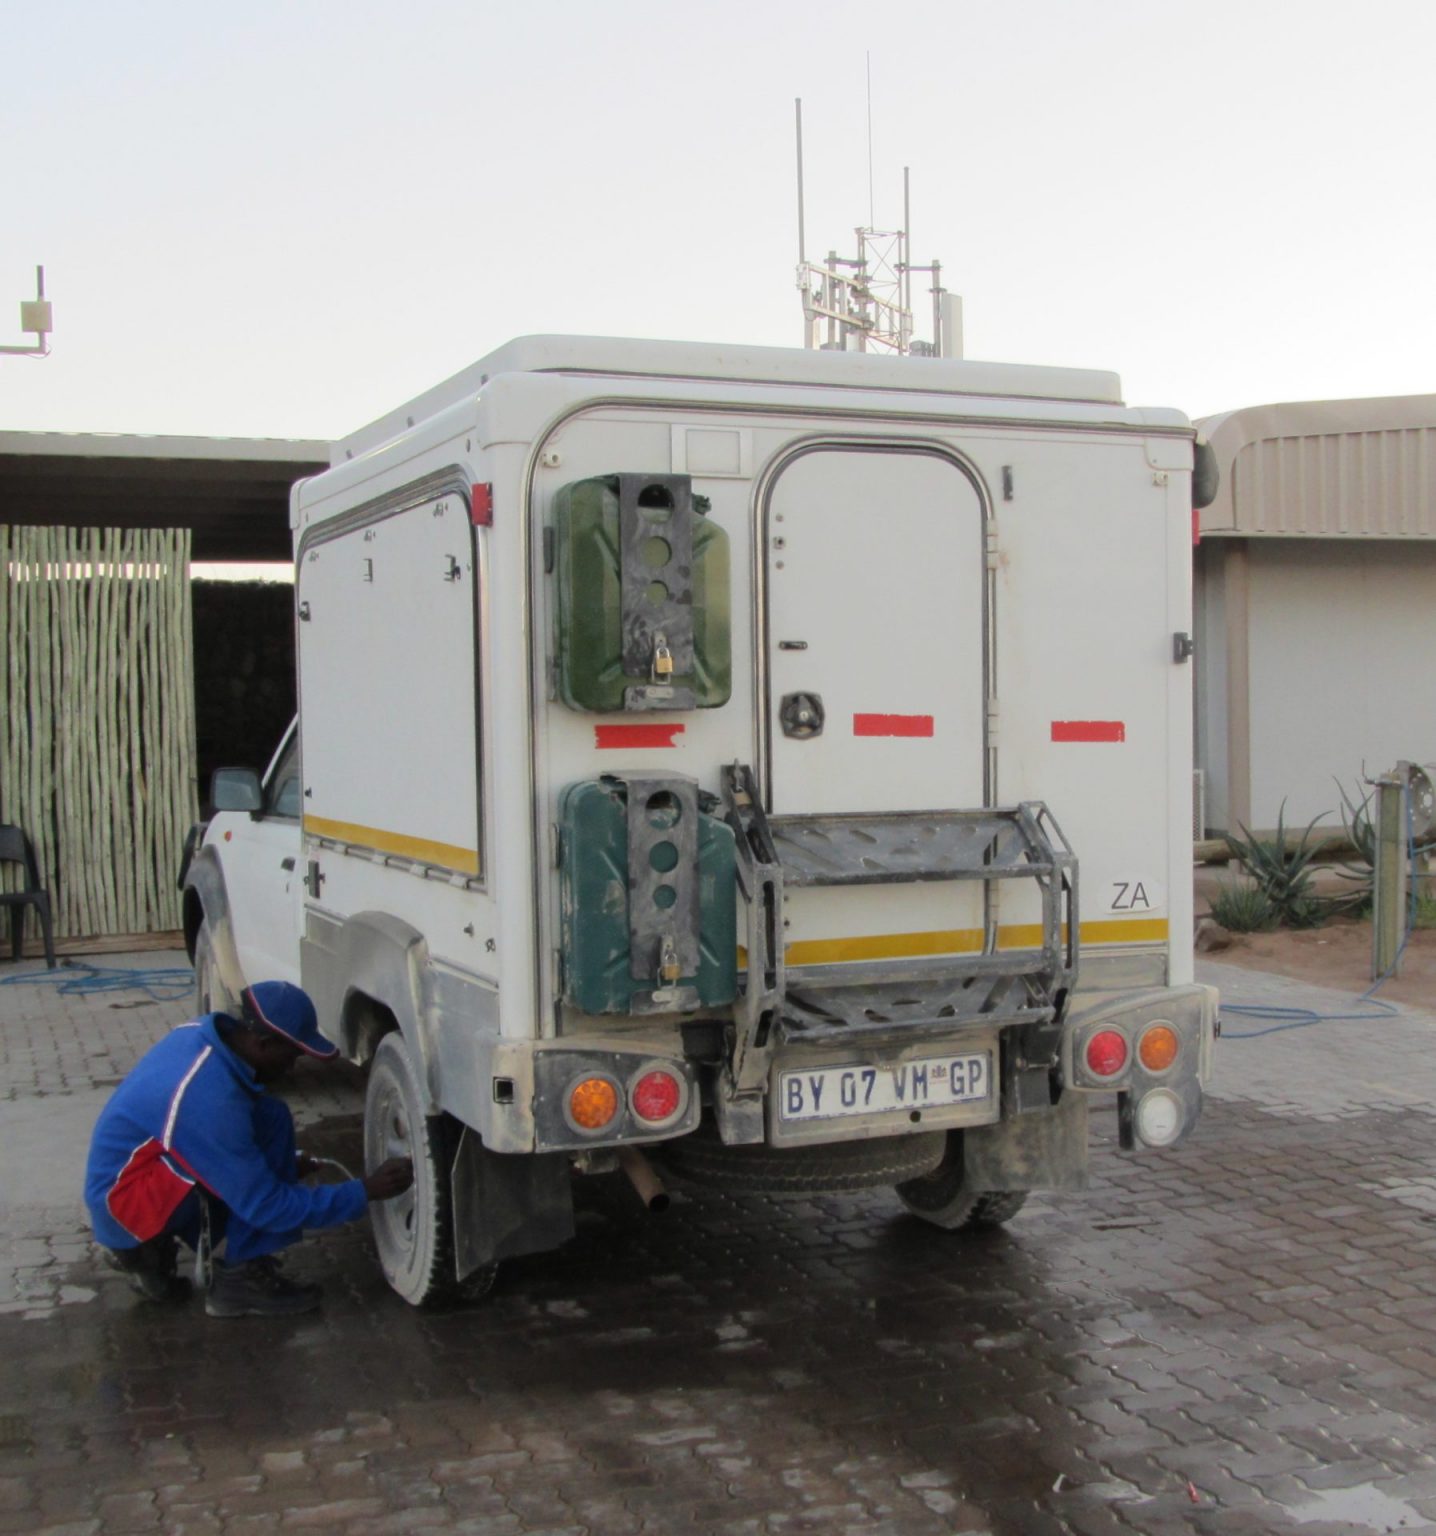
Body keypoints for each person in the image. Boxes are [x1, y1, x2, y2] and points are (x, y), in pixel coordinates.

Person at [84, 980, 412, 1318]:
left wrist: (285, 1162)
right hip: (123, 1206)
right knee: (258, 1186)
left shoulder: (206, 1035)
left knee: (270, 1116)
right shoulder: (209, 1102)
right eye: (292, 1054)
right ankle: (232, 1281)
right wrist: (364, 1191)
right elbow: (268, 1207)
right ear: (263, 1043)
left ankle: (148, 1255)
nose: (293, 1066)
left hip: (131, 1178)